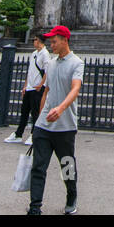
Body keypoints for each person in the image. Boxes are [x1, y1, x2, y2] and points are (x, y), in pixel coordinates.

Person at [27, 25, 83, 215]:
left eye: (54, 41)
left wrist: (61, 108)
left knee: (67, 164)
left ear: (65, 40)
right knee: (38, 166)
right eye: (50, 41)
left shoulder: (76, 63)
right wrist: (39, 120)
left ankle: (71, 195)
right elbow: (46, 92)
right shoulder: (50, 63)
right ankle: (35, 207)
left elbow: (75, 88)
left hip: (65, 125)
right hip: (44, 125)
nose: (51, 44)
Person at [6, 34, 49, 144]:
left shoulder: (45, 54)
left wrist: (41, 84)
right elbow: (30, 72)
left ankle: (34, 134)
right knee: (24, 112)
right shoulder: (34, 53)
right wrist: (25, 85)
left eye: (34, 40)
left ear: (39, 41)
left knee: (35, 113)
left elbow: (47, 71)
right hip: (30, 87)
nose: (33, 42)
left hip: (37, 89)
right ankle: (18, 134)